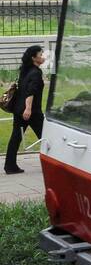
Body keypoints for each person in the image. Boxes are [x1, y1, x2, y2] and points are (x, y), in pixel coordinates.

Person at [5, 45, 45, 174]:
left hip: (19, 110)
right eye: (40, 55)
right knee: (46, 137)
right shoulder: (36, 73)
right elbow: (30, 92)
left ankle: (10, 166)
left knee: (16, 137)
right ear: (34, 58)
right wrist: (28, 109)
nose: (43, 57)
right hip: (31, 112)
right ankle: (56, 163)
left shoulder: (25, 71)